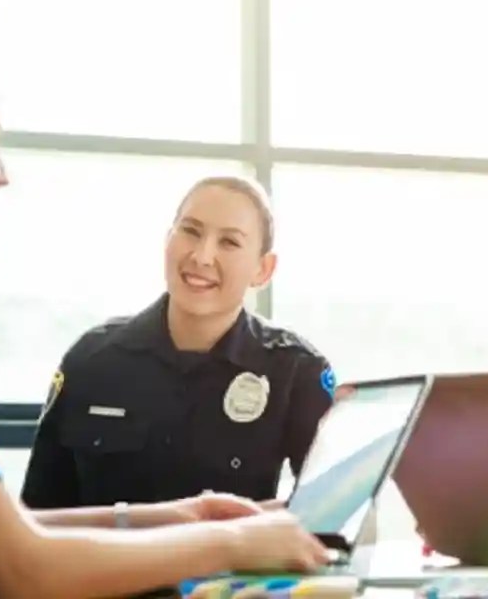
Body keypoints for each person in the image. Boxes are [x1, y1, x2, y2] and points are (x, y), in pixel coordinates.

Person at [0, 10, 328, 598]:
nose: (1, 174)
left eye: (230, 242)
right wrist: (232, 544)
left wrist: (172, 518)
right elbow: (17, 569)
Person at [22, 176, 334, 509]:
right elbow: (38, 513)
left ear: (263, 269)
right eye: (191, 231)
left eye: (229, 242)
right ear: (168, 239)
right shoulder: (91, 360)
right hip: (109, 561)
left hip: (230, 561)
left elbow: (333, 508)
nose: (201, 256)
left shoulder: (294, 371)